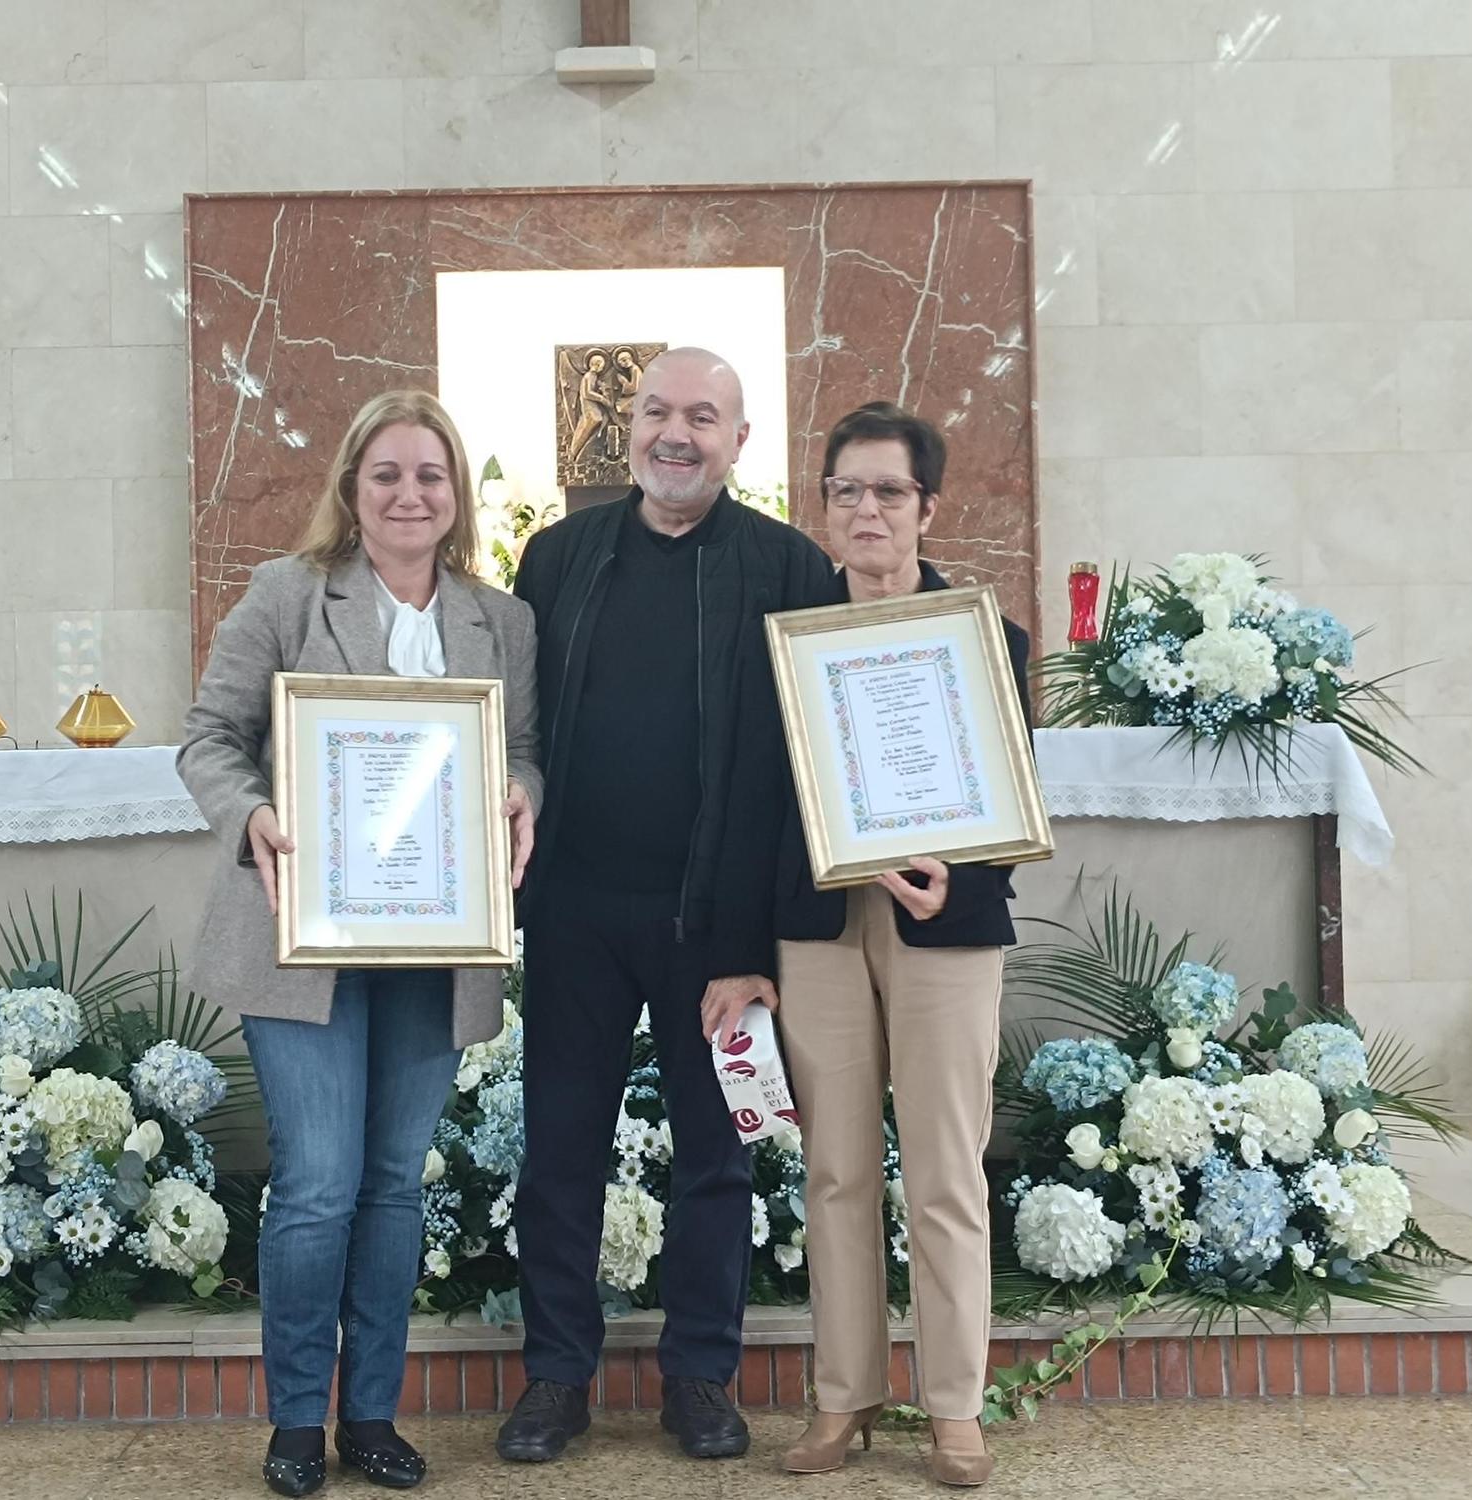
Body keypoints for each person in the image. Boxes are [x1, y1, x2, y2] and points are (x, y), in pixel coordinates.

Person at [179, 390, 541, 1497]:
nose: (407, 494)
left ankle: (371, 1416)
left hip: (436, 941)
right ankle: (297, 1421)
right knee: (320, 1182)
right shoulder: (287, 595)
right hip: (304, 938)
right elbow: (209, 738)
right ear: (351, 488)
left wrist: (522, 794)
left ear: (456, 496)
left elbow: (521, 752)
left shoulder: (501, 620)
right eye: (385, 474)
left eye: (429, 476)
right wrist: (252, 816)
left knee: (391, 1184)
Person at [497, 348, 834, 1464]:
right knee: (557, 1152)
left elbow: (802, 773)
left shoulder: (789, 567)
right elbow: (518, 737)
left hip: (720, 930)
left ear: (740, 440)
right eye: (655, 413)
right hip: (577, 914)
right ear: (625, 431)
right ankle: (555, 1376)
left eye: (702, 415)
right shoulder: (555, 558)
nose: (674, 433)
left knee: (715, 1158)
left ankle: (699, 1375)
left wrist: (759, 943)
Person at [764, 402, 1031, 1489]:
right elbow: (750, 802)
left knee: (943, 1170)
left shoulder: (985, 638)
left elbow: (1010, 796)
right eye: (844, 490)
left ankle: (953, 1407)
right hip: (816, 926)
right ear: (821, 506)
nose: (863, 510)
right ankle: (843, 1399)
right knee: (833, 1169)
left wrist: (950, 875)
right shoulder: (786, 636)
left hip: (944, 925)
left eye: (885, 491)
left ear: (927, 506)